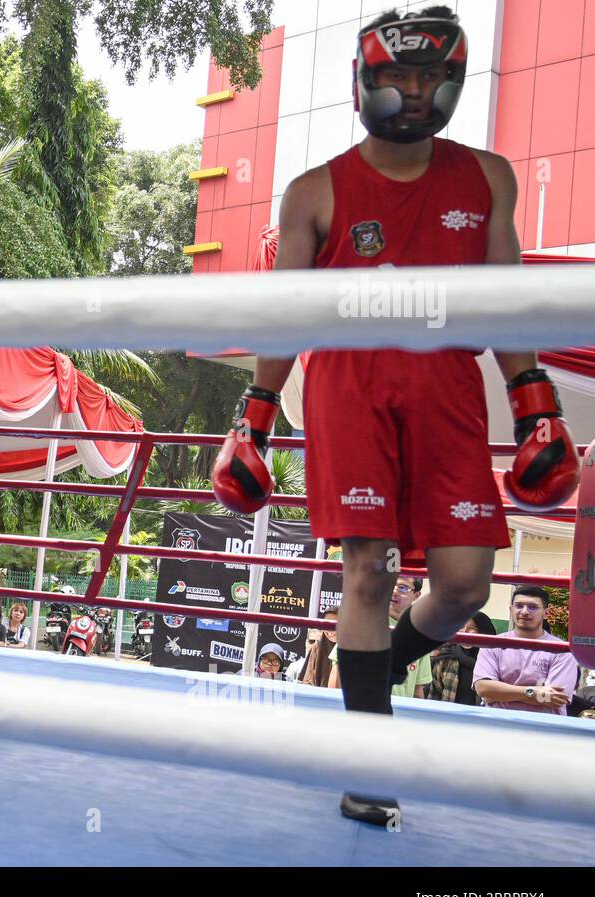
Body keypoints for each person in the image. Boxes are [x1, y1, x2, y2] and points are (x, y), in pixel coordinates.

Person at [210, 7, 579, 827]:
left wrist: (534, 403)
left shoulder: (487, 177)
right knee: (368, 568)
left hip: (448, 388)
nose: (413, 94)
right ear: (366, 81)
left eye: (427, 78)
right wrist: (257, 418)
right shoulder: (314, 192)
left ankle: (358, 676)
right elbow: (286, 319)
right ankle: (368, 760)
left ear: (449, 82)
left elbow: (505, 302)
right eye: (397, 77)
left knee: (461, 588)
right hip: (351, 386)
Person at [472, 586, 578, 717]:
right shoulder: (493, 644)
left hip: (545, 728)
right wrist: (534, 692)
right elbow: (484, 689)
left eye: (533, 607)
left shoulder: (562, 650)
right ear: (511, 609)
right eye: (519, 606)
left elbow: (556, 699)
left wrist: (500, 693)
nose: (524, 611)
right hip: (498, 724)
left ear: (546, 612)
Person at [428, 611, 491, 705]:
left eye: (471, 628)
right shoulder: (446, 656)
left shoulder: (492, 660)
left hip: (482, 717)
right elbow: (434, 694)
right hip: (448, 716)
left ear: (483, 631)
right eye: (460, 627)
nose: (464, 631)